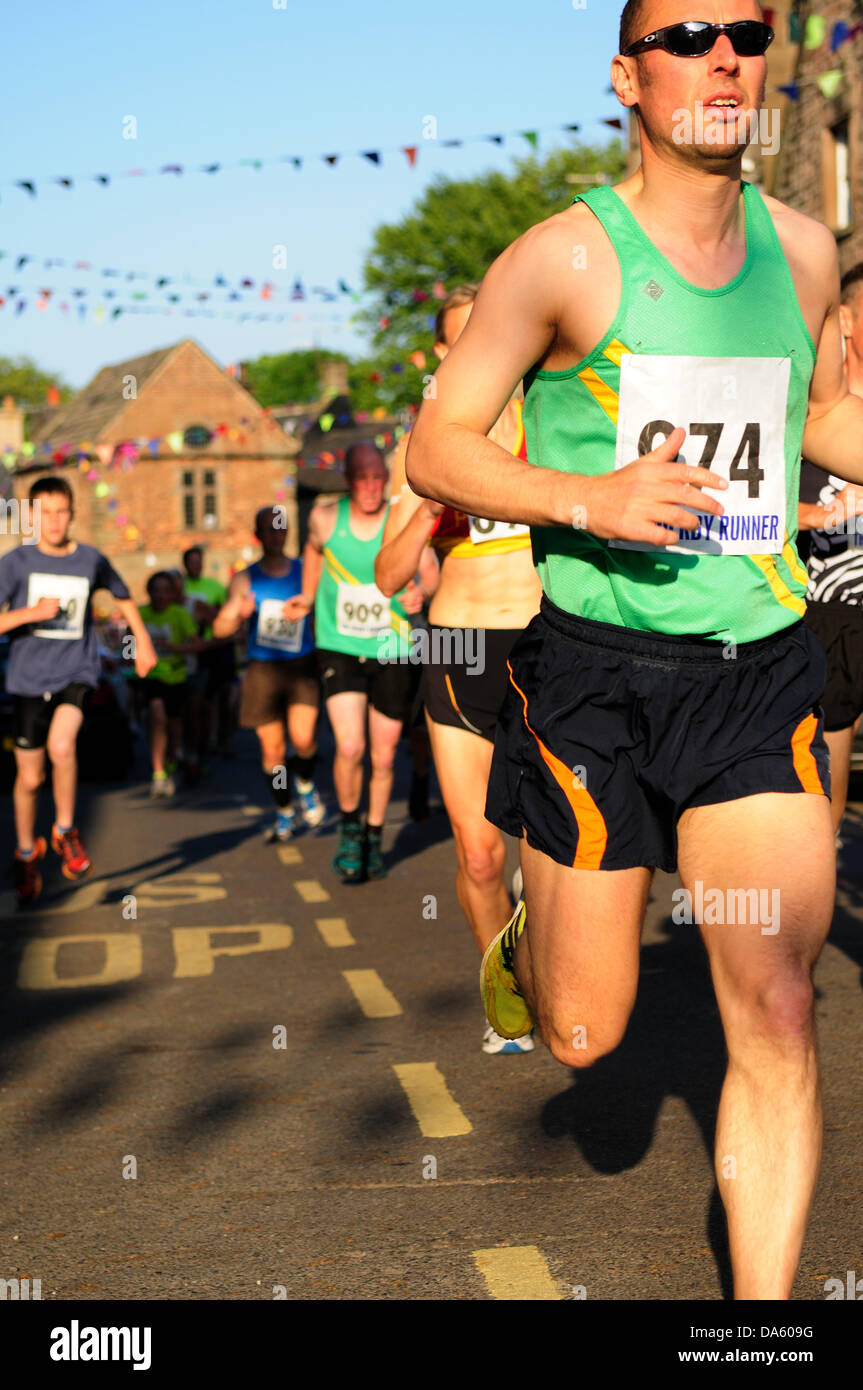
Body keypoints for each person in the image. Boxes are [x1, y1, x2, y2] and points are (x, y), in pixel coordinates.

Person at [406, 2, 863, 1300]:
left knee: (776, 1004)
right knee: (582, 1030)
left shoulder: (803, 249)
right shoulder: (559, 261)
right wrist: (585, 498)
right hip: (594, 675)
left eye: (747, 29)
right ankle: (538, 941)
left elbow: (816, 410)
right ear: (625, 73)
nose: (722, 54)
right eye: (684, 33)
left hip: (755, 667)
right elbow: (439, 446)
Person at [376, 285, 542, 1054]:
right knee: (479, 853)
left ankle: (554, 957)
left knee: (550, 844)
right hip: (454, 647)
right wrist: (423, 509)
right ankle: (501, 988)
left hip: (544, 640)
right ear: (441, 356)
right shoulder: (423, 446)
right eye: (454, 338)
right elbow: (385, 576)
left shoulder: (546, 419)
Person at [0, 476, 156, 904]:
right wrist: (30, 613)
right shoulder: (15, 563)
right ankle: (27, 851)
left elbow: (123, 597)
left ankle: (66, 829)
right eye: (45, 513)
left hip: (76, 671)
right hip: (29, 681)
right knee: (29, 779)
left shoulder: (90, 559)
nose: (54, 521)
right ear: (31, 516)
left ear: (72, 514)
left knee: (63, 746)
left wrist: (142, 640)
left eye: (61, 512)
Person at [287, 444, 422, 881]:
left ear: (385, 478)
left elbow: (431, 567)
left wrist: (423, 592)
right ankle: (349, 827)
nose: (369, 486)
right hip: (339, 643)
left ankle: (374, 834)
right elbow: (311, 552)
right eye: (360, 477)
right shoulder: (325, 518)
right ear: (347, 479)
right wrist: (308, 596)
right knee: (350, 746)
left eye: (376, 477)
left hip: (393, 647)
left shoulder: (400, 516)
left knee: (383, 757)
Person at [798, 264, 863, 840]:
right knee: (827, 805)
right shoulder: (807, 412)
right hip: (828, 612)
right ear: (845, 319)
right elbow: (745, 507)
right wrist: (819, 514)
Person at [213, 505, 324, 840]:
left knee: (303, 740)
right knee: (273, 752)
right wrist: (237, 613)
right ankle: (284, 808)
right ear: (257, 535)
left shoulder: (306, 571)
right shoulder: (245, 578)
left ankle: (304, 782)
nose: (277, 535)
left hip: (301, 664)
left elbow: (324, 611)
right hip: (263, 669)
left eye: (281, 528)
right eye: (269, 529)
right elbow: (219, 628)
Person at [137, 571, 201, 797]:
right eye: (156, 590)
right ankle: (158, 773)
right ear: (149, 592)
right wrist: (132, 654)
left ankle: (172, 764)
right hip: (152, 677)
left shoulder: (180, 615)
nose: (161, 595)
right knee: (158, 717)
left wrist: (174, 648)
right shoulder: (141, 614)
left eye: (166, 591)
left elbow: (197, 645)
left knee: (174, 728)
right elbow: (128, 640)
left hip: (176, 677)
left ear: (171, 594)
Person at [181, 546, 229, 780]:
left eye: (199, 561)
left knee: (209, 702)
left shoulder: (214, 587)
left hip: (208, 650)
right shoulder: (178, 589)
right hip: (181, 654)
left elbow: (222, 616)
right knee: (186, 709)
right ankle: (186, 751)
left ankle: (211, 742)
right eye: (192, 561)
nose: (196, 565)